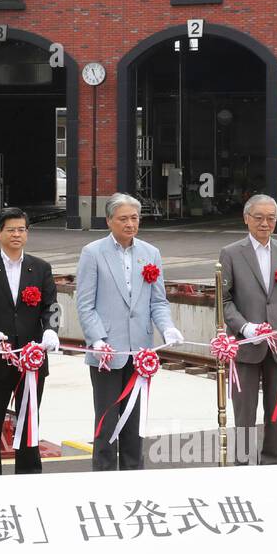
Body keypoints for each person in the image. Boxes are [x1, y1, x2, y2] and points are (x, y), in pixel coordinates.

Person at [76, 193, 184, 471]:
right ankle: (104, 476)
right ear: (109, 220)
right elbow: (85, 303)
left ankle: (134, 476)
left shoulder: (151, 253)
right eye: (123, 218)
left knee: (135, 422)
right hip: (107, 352)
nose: (130, 224)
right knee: (107, 421)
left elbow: (157, 301)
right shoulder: (93, 252)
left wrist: (167, 327)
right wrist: (97, 339)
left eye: (134, 218)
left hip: (140, 351)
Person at [0, 207, 59, 475]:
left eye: (22, 229)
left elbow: (50, 305)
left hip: (32, 359)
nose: (17, 234)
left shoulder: (40, 268)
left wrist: (51, 330)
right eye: (11, 229)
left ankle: (28, 476)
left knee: (29, 421)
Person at [218, 194, 277, 464]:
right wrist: (244, 327)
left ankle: (274, 462)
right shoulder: (231, 253)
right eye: (258, 217)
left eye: (271, 218)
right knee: (245, 411)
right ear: (246, 218)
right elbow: (223, 300)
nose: (265, 223)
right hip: (246, 346)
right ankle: (244, 463)